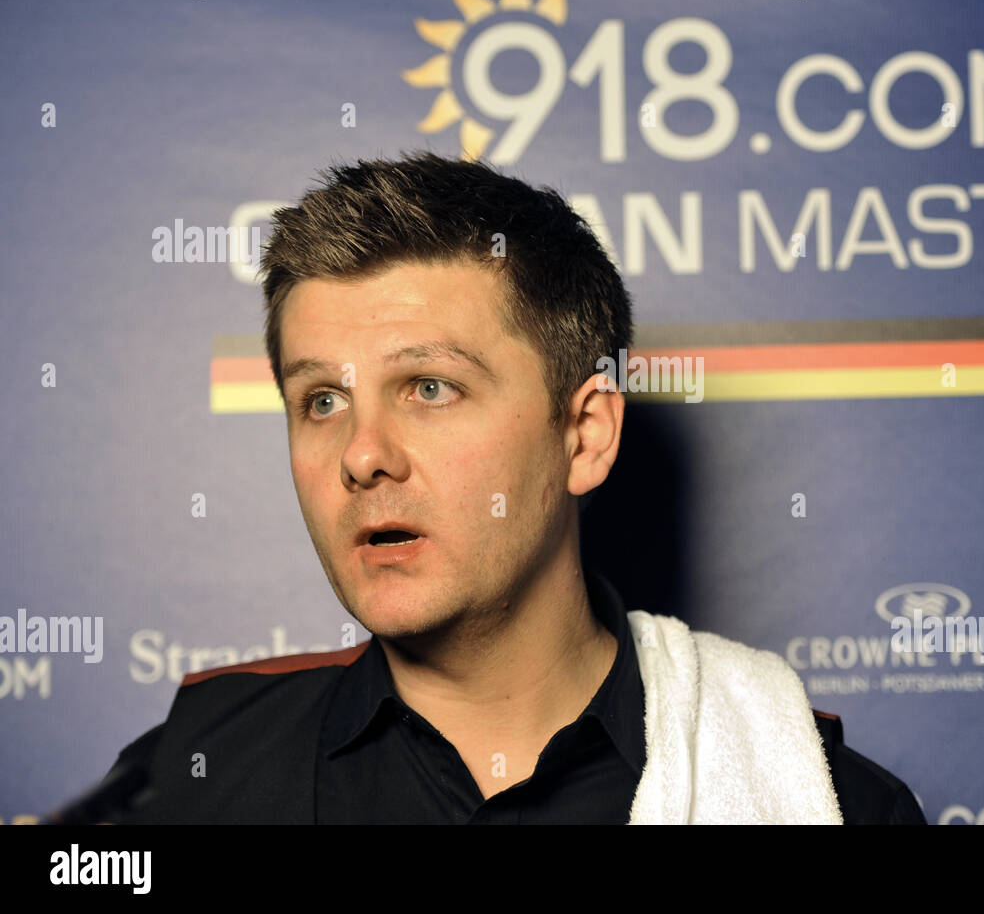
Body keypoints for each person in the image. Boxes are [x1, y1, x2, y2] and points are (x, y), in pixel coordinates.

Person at [101, 151, 925, 824]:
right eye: (322, 400)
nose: (363, 456)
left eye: (428, 387)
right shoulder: (189, 778)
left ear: (585, 434)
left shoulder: (836, 801)